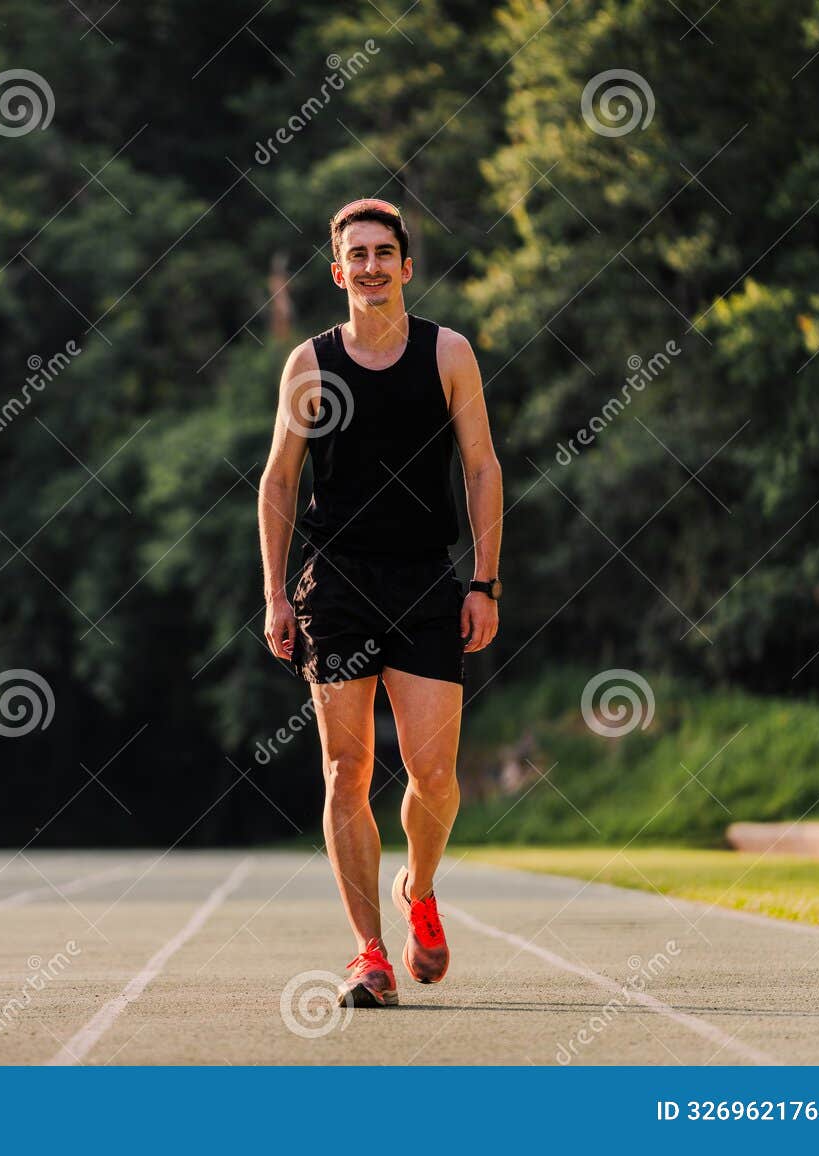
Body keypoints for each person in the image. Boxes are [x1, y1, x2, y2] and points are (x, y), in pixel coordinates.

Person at [257, 198, 502, 1007]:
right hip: (337, 584)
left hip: (426, 580)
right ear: (338, 272)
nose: (370, 266)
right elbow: (280, 480)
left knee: (435, 777)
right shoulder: (311, 364)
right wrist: (275, 594)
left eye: (382, 253)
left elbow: (481, 468)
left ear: (405, 266)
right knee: (346, 769)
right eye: (355, 255)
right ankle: (369, 957)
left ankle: (418, 890)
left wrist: (484, 581)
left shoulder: (448, 353)